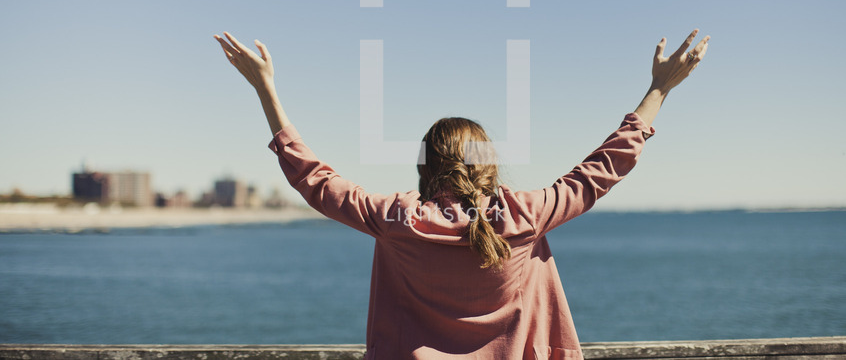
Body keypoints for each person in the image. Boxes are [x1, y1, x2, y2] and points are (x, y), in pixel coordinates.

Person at [215, 29, 709, 359]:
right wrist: (659, 90)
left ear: (426, 167)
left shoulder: (395, 221)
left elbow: (314, 178)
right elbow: (601, 170)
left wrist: (266, 91)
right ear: (487, 164)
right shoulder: (524, 215)